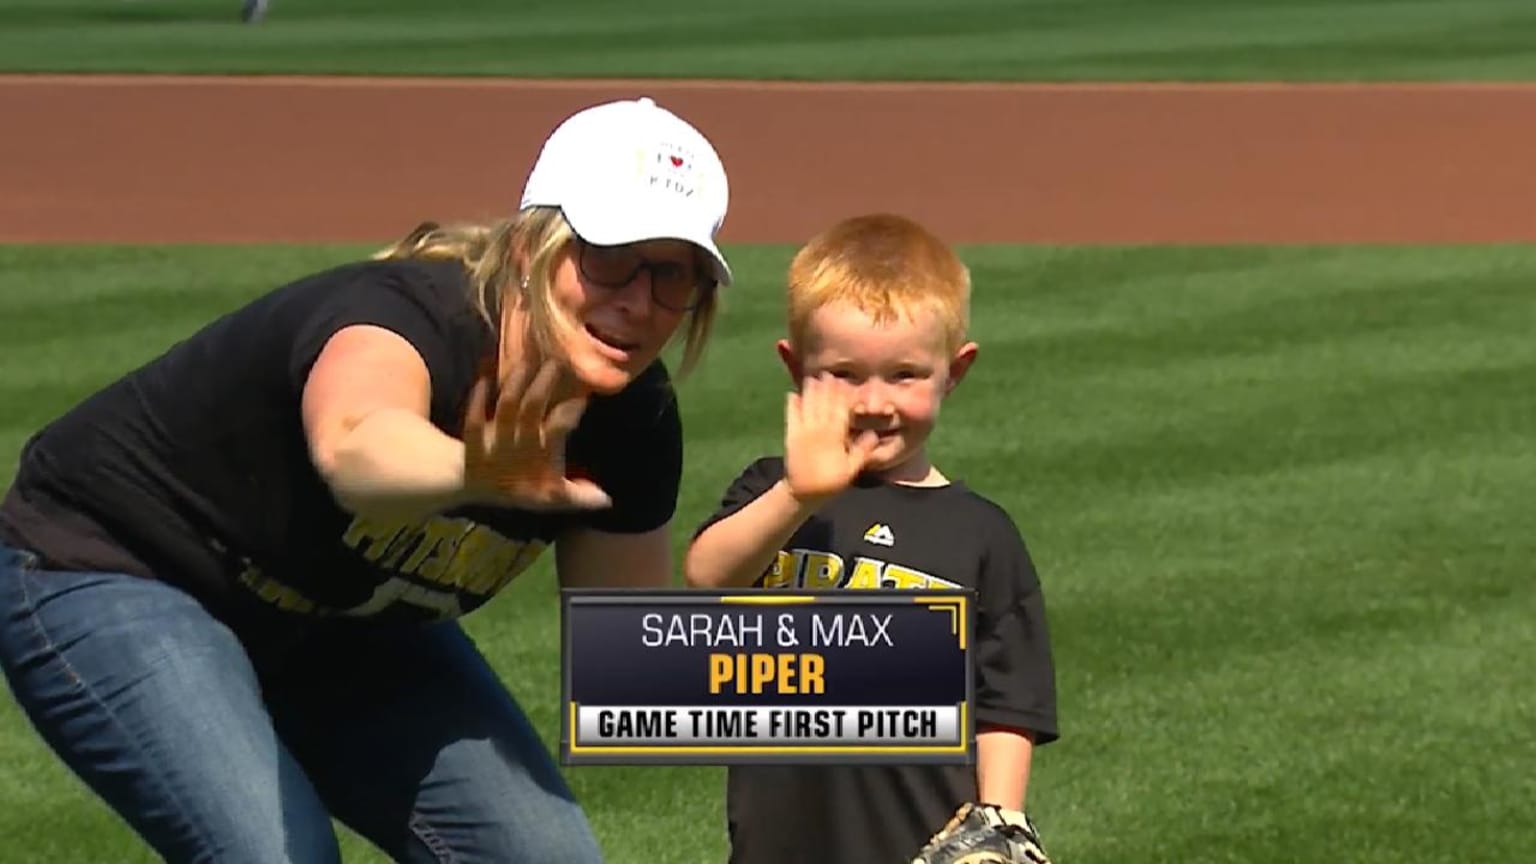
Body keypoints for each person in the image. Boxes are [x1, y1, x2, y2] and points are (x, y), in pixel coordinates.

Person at [0, 95, 731, 863]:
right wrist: (471, 469)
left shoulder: (630, 421)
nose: (638, 302)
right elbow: (355, 447)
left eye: (672, 275)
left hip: (336, 625)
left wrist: (807, 526)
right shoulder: (407, 319)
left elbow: (634, 675)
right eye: (609, 257)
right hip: (113, 568)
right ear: (527, 249)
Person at [684, 213, 1059, 863]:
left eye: (905, 374)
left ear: (955, 372)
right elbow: (709, 576)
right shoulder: (774, 491)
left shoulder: (980, 532)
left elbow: (1008, 704)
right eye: (845, 373)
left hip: (921, 843)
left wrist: (1000, 822)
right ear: (795, 368)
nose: (875, 401)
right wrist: (800, 494)